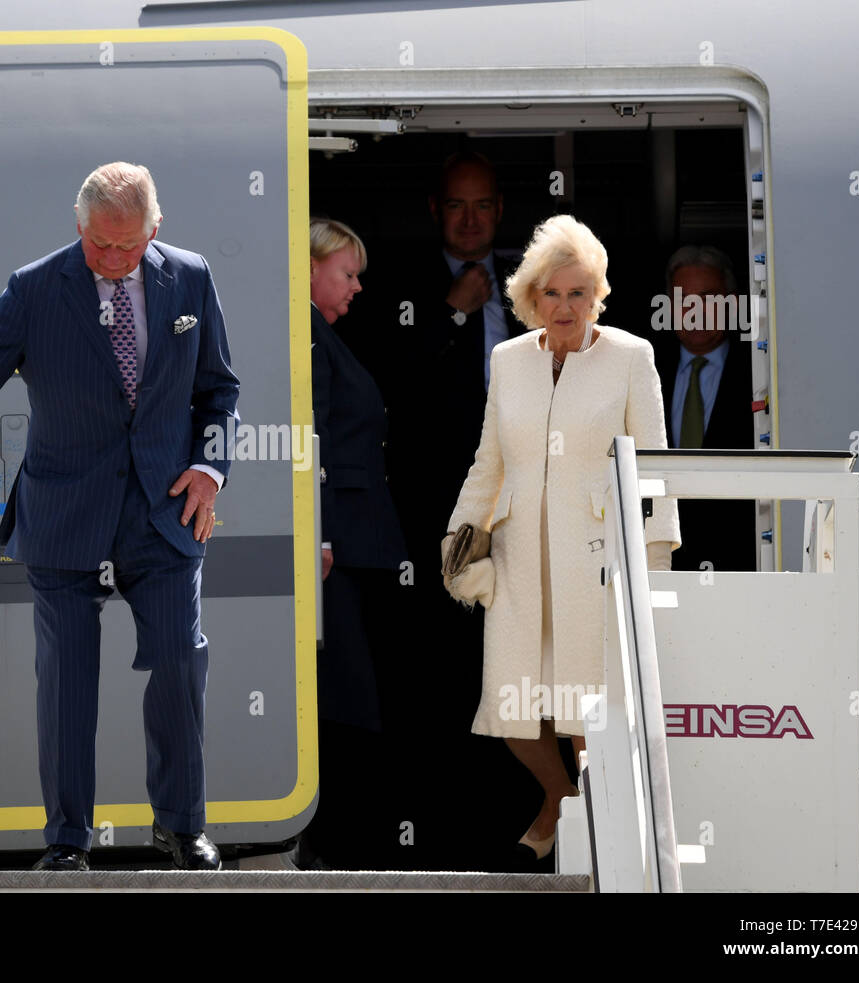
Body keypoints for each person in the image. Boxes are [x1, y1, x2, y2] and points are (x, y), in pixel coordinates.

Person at [0, 162, 240, 871]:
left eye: (130, 246)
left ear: (157, 227)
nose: (116, 262)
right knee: (66, 678)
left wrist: (211, 471)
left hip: (165, 511)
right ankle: (67, 842)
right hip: (65, 511)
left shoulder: (191, 276)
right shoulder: (35, 288)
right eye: (100, 245)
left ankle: (181, 827)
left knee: (181, 663)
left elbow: (219, 389)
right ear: (78, 224)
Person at [445, 214, 680, 861]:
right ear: (531, 298)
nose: (566, 305)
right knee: (517, 710)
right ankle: (561, 798)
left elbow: (655, 471)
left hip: (596, 564)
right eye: (553, 293)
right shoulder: (508, 360)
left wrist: (653, 570)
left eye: (580, 292)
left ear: (597, 294)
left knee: (584, 715)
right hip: (521, 560)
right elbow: (489, 461)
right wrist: (461, 542)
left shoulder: (632, 358)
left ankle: (601, 848)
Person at [357, 151, 532, 869]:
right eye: (456, 207)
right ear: (434, 209)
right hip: (433, 517)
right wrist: (451, 313)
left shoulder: (536, 279)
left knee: (519, 666)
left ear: (500, 209)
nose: (470, 220)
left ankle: (522, 821)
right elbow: (383, 384)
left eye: (483, 206)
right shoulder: (397, 282)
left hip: (523, 514)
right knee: (440, 673)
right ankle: (440, 830)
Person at [300, 219, 408, 868]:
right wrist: (320, 535)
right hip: (335, 555)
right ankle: (331, 849)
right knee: (345, 702)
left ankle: (334, 846)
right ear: (310, 269)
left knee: (353, 697)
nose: (358, 286)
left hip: (353, 552)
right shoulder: (307, 336)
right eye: (347, 272)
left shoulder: (323, 337)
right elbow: (305, 444)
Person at [655, 245, 758, 572]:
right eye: (684, 301)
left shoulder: (761, 370)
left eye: (710, 299)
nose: (696, 311)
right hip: (660, 557)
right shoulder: (645, 367)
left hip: (739, 561)